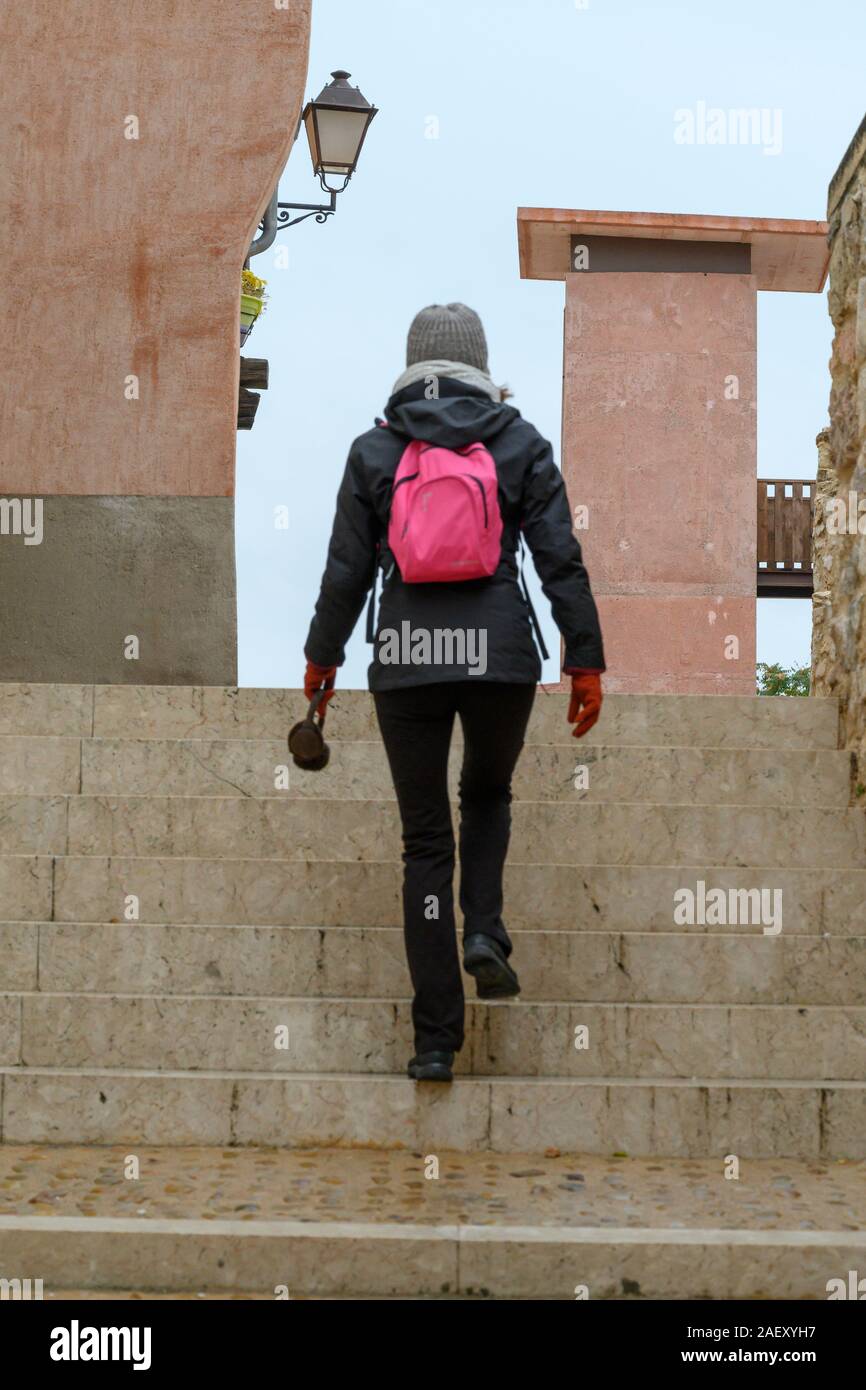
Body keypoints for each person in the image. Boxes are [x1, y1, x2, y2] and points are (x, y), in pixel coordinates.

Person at [303, 303, 605, 1083]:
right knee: (488, 796)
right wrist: (585, 660)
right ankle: (484, 931)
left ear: (412, 364)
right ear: (481, 363)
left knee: (426, 841)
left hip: (407, 659)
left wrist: (322, 658)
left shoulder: (375, 449)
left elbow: (346, 570)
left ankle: (436, 1041)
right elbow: (560, 559)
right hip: (499, 656)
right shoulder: (518, 441)